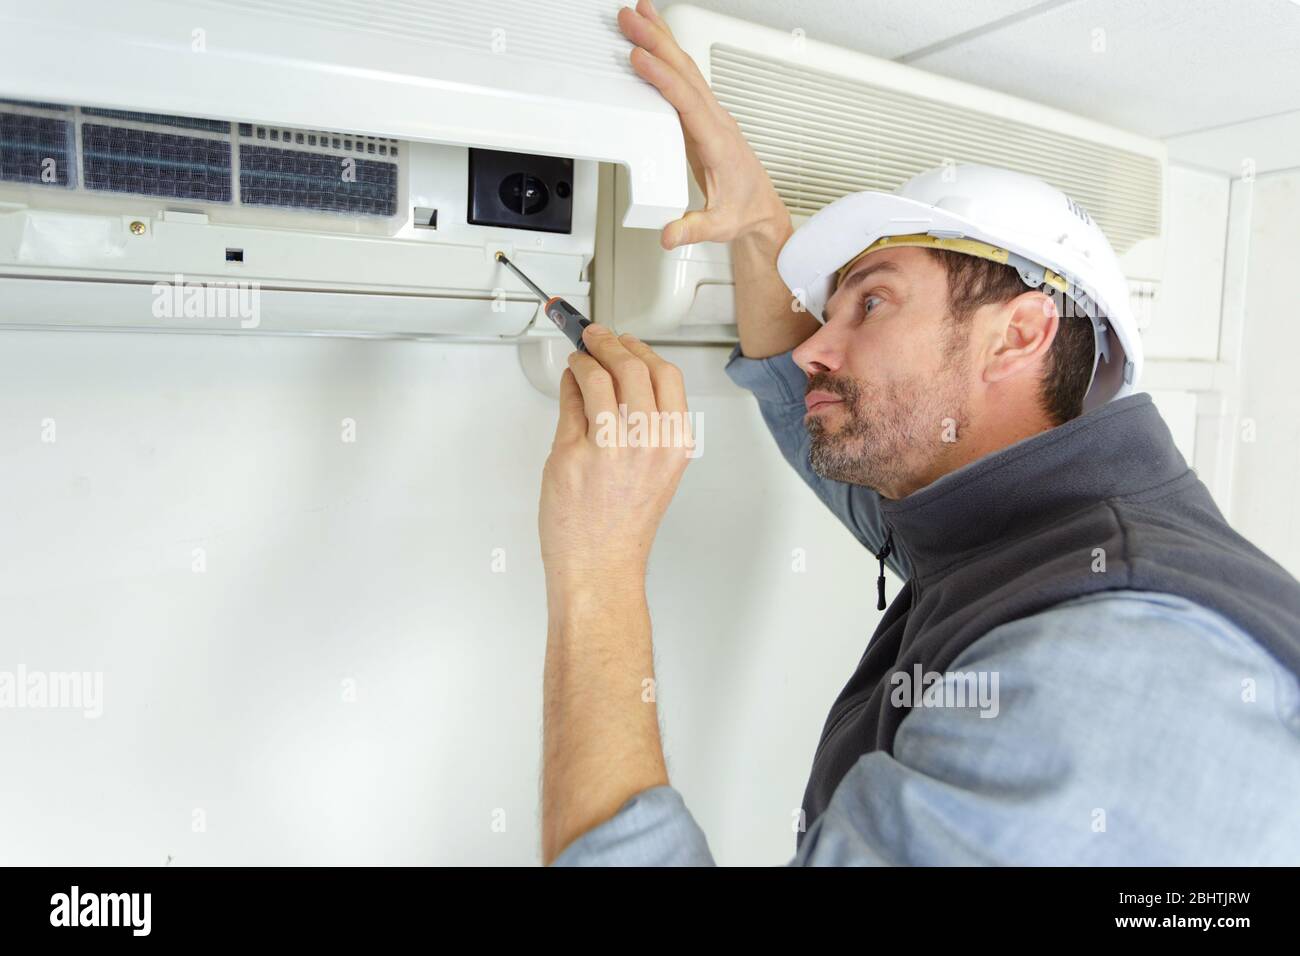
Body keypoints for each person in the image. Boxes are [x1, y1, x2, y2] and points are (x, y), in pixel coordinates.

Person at [536, 0, 1300, 866]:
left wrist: (596, 564)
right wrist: (755, 225)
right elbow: (837, 413)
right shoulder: (1033, 534)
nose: (816, 346)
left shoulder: (1111, 670)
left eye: (871, 302)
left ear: (1018, 335)